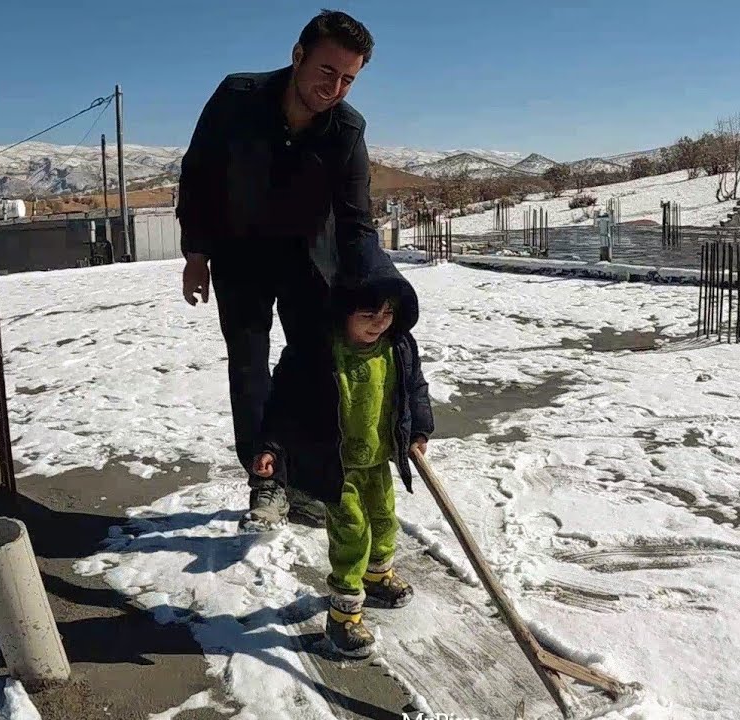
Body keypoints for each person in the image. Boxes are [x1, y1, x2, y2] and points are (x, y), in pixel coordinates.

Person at [176, 10, 379, 527]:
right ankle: (266, 481)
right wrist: (196, 255)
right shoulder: (236, 98)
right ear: (297, 56)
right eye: (327, 71)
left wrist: (375, 287)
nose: (334, 88)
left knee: (312, 365)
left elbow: (356, 222)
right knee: (249, 367)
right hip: (239, 257)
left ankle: (306, 481)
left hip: (308, 263)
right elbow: (197, 175)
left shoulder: (347, 130)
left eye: (348, 79)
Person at [251, 245, 434, 658]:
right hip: (337, 465)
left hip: (377, 458)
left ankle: (377, 576)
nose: (379, 323)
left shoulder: (398, 347)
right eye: (367, 315)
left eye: (387, 314)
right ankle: (344, 613)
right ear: (343, 311)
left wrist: (419, 429)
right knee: (352, 532)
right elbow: (284, 401)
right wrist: (271, 446)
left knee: (384, 520)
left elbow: (415, 390)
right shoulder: (318, 353)